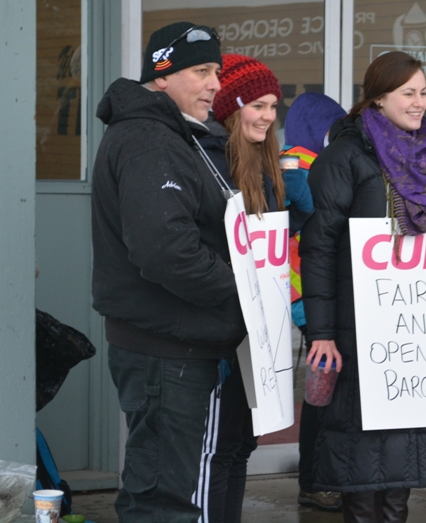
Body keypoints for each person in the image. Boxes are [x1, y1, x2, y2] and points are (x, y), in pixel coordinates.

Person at [92, 21, 241, 523]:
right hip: (164, 349)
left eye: (216, 71)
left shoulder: (176, 135)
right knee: (161, 499)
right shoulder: (150, 141)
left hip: (175, 343)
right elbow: (166, 251)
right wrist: (241, 289)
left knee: (163, 489)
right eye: (201, 71)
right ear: (162, 75)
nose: (215, 84)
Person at [299, 51, 426, 523]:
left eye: (423, 93)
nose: (419, 102)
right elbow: (318, 249)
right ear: (378, 98)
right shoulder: (344, 156)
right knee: (362, 462)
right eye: (408, 93)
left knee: (404, 459)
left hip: (412, 331)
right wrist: (322, 333)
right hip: (356, 333)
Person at [193, 53, 296, 523]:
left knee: (240, 445)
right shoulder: (209, 162)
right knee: (216, 450)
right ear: (232, 108)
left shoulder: (266, 164)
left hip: (260, 332)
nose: (268, 116)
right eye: (258, 105)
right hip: (224, 331)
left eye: (273, 106)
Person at [276, 92, 348, 513]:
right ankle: (316, 482)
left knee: (323, 393)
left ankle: (318, 480)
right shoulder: (305, 168)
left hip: (307, 302)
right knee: (324, 397)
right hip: (314, 304)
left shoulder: (291, 164)